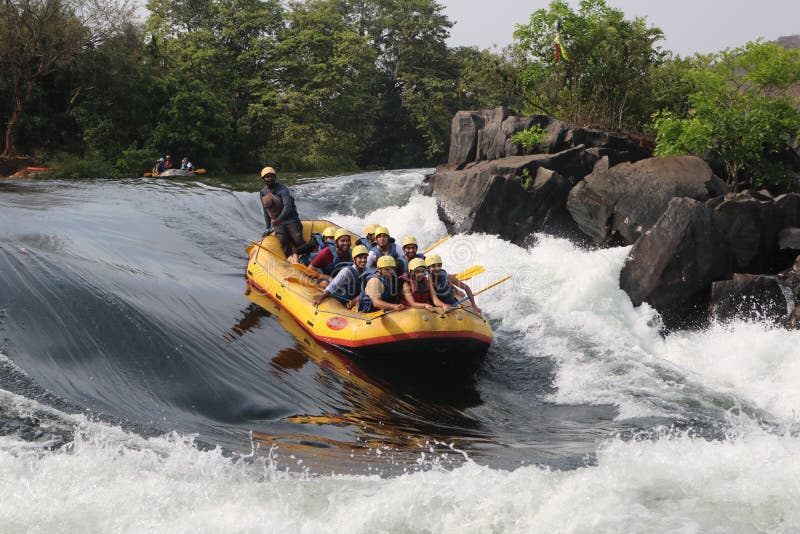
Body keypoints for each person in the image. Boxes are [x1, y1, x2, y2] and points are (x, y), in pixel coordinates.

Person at [259, 166, 315, 262]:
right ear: (263, 179)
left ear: (275, 177)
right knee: (284, 244)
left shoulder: (283, 189)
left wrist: (279, 219)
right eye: (267, 177)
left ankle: (312, 249)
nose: (269, 178)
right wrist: (268, 227)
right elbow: (266, 211)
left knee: (298, 241)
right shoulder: (263, 192)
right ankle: (292, 262)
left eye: (271, 176)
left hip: (290, 220)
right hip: (278, 223)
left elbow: (287, 207)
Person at [313, 245, 369, 309]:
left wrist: (355, 300)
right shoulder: (346, 272)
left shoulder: (366, 271)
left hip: (351, 300)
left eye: (365, 257)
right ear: (354, 259)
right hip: (339, 299)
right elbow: (333, 285)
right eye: (360, 258)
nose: (363, 260)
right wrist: (321, 297)